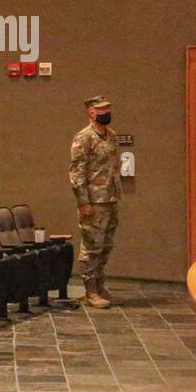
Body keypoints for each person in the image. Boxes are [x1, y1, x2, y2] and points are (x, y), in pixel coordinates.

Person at [69, 95, 122, 309]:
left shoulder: (111, 135)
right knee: (92, 245)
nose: (106, 112)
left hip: (110, 198)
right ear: (91, 112)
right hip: (93, 200)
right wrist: (84, 202)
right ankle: (89, 290)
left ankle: (100, 285)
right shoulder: (84, 138)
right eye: (101, 109)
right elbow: (77, 172)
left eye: (108, 108)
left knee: (106, 245)